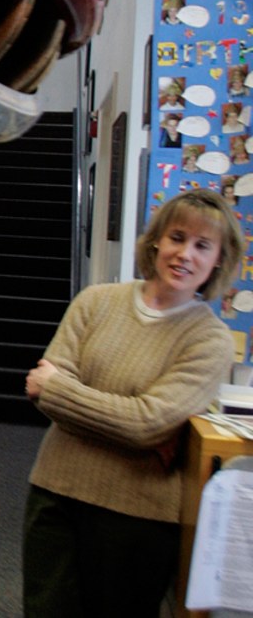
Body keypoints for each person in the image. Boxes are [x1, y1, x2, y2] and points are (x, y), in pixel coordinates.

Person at [22, 188, 245, 617]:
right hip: (55, 493)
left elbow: (147, 424)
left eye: (202, 246)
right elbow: (39, 393)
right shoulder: (96, 301)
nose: (185, 254)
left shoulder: (210, 339)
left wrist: (63, 391)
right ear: (157, 240)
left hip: (138, 517)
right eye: (177, 237)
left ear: (218, 259)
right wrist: (127, 420)